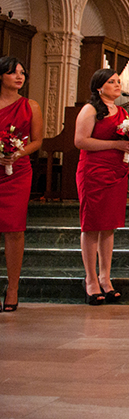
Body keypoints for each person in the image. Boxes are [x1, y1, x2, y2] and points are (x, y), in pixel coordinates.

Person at [74, 69, 129, 305]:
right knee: (92, 225)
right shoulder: (90, 110)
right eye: (112, 82)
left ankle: (105, 277)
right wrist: (116, 144)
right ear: (99, 87)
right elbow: (80, 141)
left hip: (116, 171)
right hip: (94, 170)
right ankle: (90, 280)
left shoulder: (122, 111)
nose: (118, 85)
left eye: (119, 81)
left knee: (109, 226)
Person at [0, 56, 43, 312]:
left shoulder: (31, 106)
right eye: (13, 72)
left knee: (15, 229)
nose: (19, 77)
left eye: (22, 73)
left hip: (17, 172)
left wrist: (17, 153)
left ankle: (13, 288)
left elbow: (37, 141)